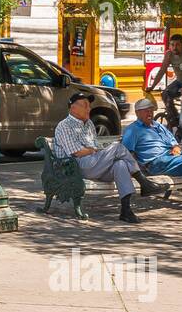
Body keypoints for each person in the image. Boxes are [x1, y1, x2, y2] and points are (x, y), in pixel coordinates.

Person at [53, 92, 162, 224]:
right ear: (73, 108)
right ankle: (144, 182)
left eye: (89, 105)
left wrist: (95, 151)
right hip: (75, 167)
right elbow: (77, 152)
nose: (89, 108)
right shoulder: (64, 125)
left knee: (120, 164)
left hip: (93, 164)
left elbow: (92, 148)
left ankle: (126, 211)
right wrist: (94, 150)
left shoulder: (88, 124)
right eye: (86, 105)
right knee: (117, 147)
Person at [147, 34, 182, 142]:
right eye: (172, 45)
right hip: (180, 82)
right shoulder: (169, 55)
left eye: (177, 45)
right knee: (165, 94)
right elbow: (162, 71)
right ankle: (175, 118)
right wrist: (152, 86)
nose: (174, 47)